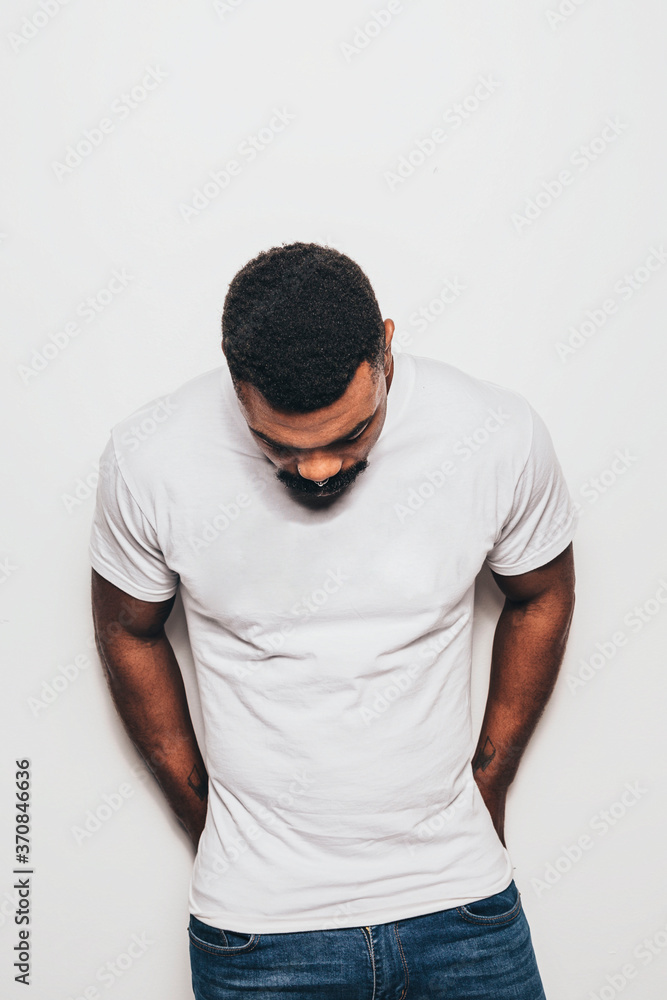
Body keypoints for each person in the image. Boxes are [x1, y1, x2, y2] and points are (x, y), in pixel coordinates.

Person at [89, 241, 576, 999]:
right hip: (259, 935)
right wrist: (206, 814)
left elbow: (540, 591)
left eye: (350, 436)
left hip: (462, 909)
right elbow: (128, 628)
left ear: (385, 347)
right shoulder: (149, 457)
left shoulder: (494, 435)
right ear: (232, 374)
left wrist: (490, 778)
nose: (317, 469)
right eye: (276, 446)